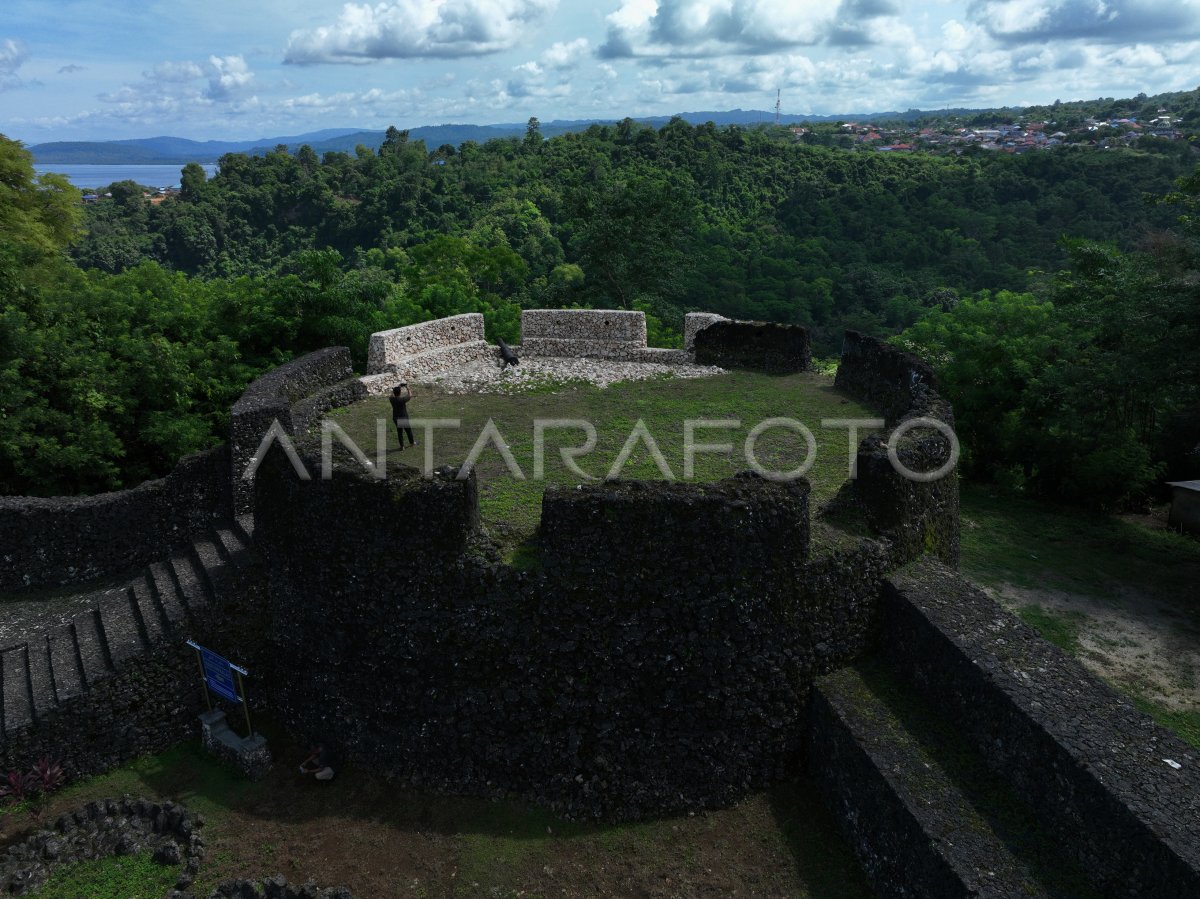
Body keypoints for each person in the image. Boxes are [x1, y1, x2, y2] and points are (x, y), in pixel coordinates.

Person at [389, 383, 416, 450]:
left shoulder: (392, 399)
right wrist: (408, 388)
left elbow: (391, 394)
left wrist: (398, 387)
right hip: (403, 418)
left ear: (394, 393)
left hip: (396, 418)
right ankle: (412, 443)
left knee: (399, 432)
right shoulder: (402, 400)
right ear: (400, 393)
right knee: (408, 431)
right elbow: (410, 395)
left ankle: (402, 446)